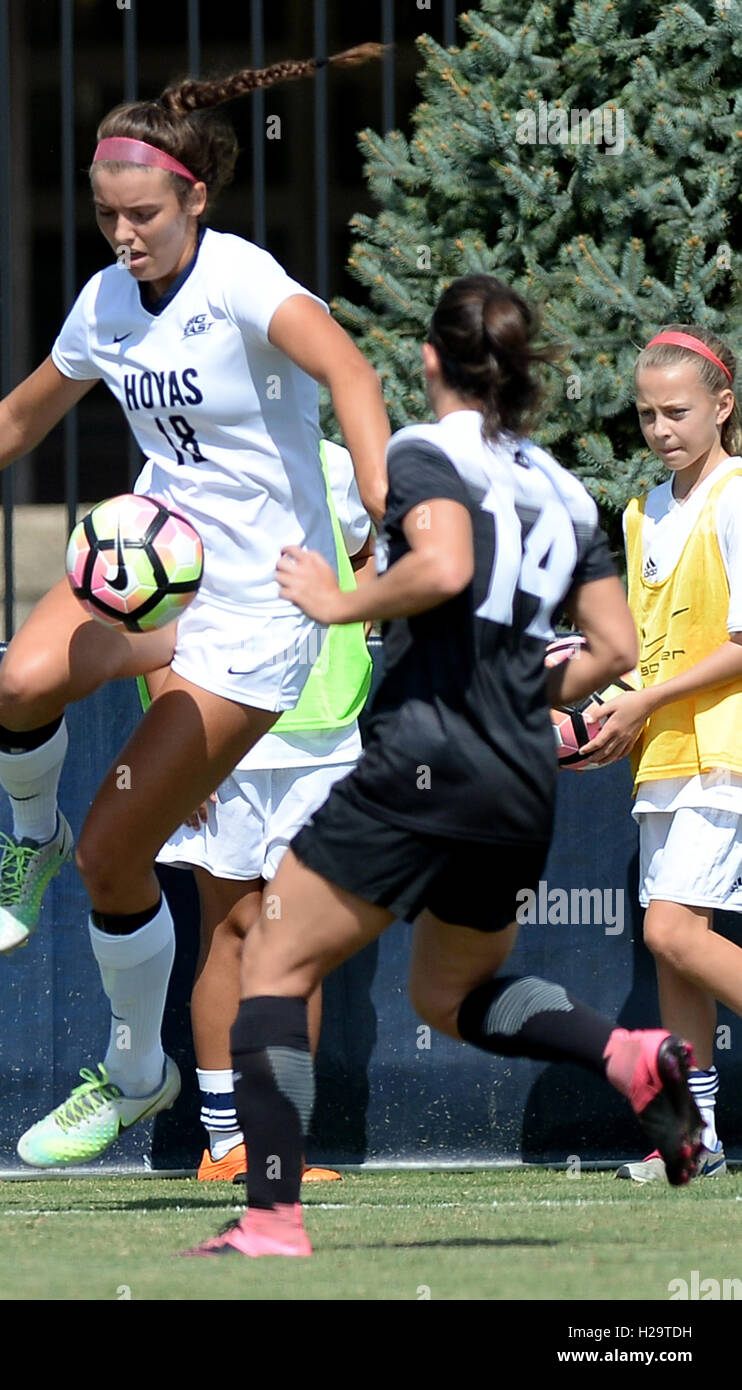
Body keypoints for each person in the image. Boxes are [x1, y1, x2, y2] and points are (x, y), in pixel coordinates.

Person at [0, 48, 389, 1159]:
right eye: (107, 214)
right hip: (152, 553)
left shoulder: (245, 283)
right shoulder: (107, 300)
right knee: (18, 684)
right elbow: (19, 417)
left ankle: (133, 1067)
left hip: (253, 619)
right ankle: (27, 836)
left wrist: (384, 491)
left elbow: (351, 374)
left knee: (121, 854)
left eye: (143, 213)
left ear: (196, 196)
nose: (122, 234)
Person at [182, 274, 704, 1259]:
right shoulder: (553, 482)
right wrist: (523, 692)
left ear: (429, 364)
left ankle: (271, 1215)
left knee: (273, 957)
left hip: (426, 752)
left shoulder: (425, 451)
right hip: (515, 777)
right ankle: (626, 1052)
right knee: (449, 998)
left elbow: (446, 563)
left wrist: (339, 600)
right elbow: (615, 645)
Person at [152, 440, 372, 1183]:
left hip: (326, 736)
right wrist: (176, 737)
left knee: (295, 941)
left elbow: (365, 553)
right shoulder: (175, 462)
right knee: (227, 929)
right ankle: (225, 1146)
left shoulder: (335, 463)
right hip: (222, 729)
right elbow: (141, 602)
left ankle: (279, 1143)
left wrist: (360, 632)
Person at [576, 326, 742, 1183]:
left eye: (677, 410)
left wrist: (644, 699)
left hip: (727, 748)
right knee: (680, 946)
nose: (660, 427)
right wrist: (620, 718)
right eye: (645, 413)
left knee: (670, 931)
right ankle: (694, 1139)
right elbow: (649, 652)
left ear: (723, 406)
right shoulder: (646, 508)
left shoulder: (738, 498)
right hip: (668, 750)